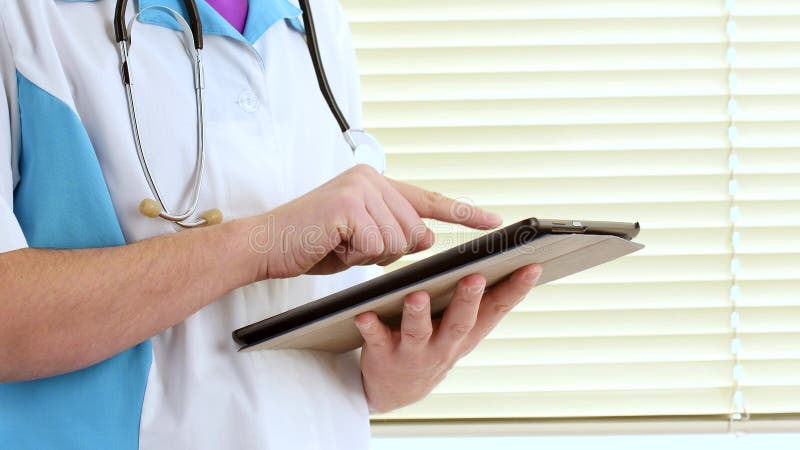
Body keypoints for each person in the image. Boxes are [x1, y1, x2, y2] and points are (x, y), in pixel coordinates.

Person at [0, 1, 542, 448]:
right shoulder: (26, 17)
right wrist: (258, 247)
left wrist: (392, 372)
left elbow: (312, 337)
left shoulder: (314, 17)